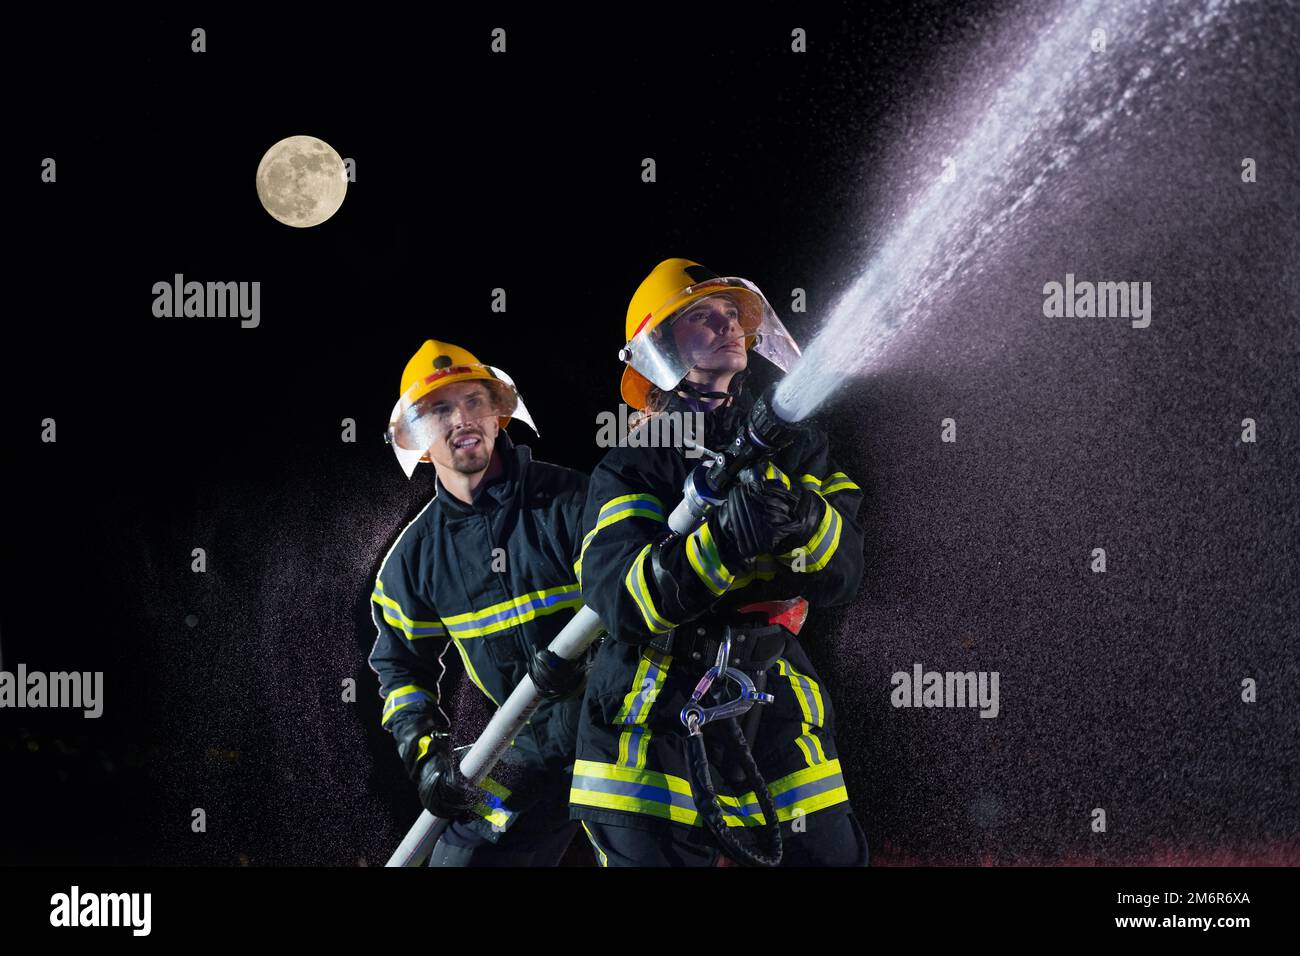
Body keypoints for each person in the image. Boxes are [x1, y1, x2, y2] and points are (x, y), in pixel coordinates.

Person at [570, 259, 870, 866]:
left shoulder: (796, 442)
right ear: (660, 349)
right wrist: (725, 543)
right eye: (703, 318)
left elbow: (846, 572)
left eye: (732, 314)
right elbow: (625, 602)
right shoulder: (635, 465)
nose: (728, 326)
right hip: (649, 717)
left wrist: (807, 523)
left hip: (772, 693)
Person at [368, 338, 595, 866]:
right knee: (459, 860)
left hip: (622, 726)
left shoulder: (574, 501)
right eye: (440, 410)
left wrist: (589, 671)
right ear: (419, 442)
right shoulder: (414, 559)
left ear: (499, 418)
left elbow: (630, 603)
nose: (461, 419)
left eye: (474, 402)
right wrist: (426, 759)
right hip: (532, 744)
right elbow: (401, 671)